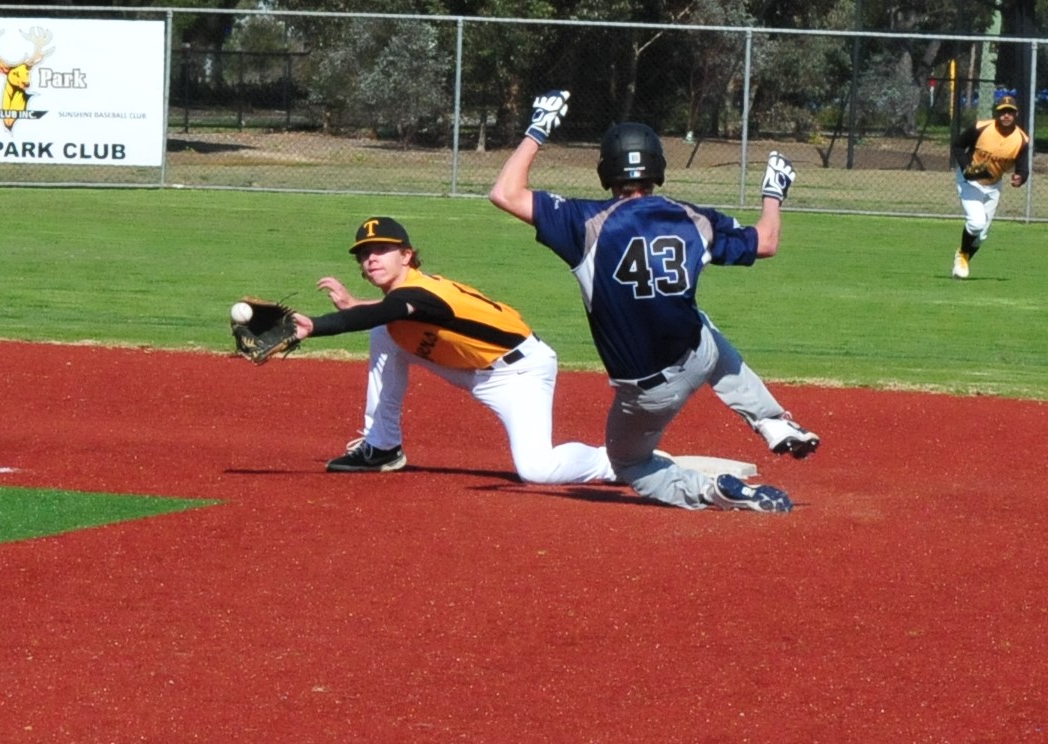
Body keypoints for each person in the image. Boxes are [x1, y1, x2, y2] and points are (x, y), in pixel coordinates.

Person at [488, 90, 819, 513]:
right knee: (701, 326)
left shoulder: (581, 222)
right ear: (657, 168)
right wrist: (773, 193)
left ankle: (712, 491)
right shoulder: (694, 218)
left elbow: (505, 192)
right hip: (696, 356)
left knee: (630, 462)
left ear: (606, 170)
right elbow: (767, 242)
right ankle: (770, 418)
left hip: (644, 392)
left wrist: (538, 129)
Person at [290, 216, 616, 485]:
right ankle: (382, 446)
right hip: (468, 366)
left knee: (538, 469)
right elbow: (387, 310)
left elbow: (386, 310)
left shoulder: (420, 293)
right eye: (364, 254)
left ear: (406, 255)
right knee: (385, 332)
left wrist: (314, 326)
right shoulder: (410, 293)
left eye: (382, 249)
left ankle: (617, 462)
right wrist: (352, 304)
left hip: (519, 374)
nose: (371, 258)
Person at [950, 94, 1029, 279]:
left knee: (982, 235)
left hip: (993, 185)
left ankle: (963, 257)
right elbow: (958, 145)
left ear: (1015, 115)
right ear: (997, 113)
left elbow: (1023, 166)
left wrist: (1021, 177)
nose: (1006, 116)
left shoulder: (1021, 140)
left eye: (1010, 112)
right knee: (976, 222)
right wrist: (966, 167)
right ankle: (962, 254)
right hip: (969, 181)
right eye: (1002, 112)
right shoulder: (981, 127)